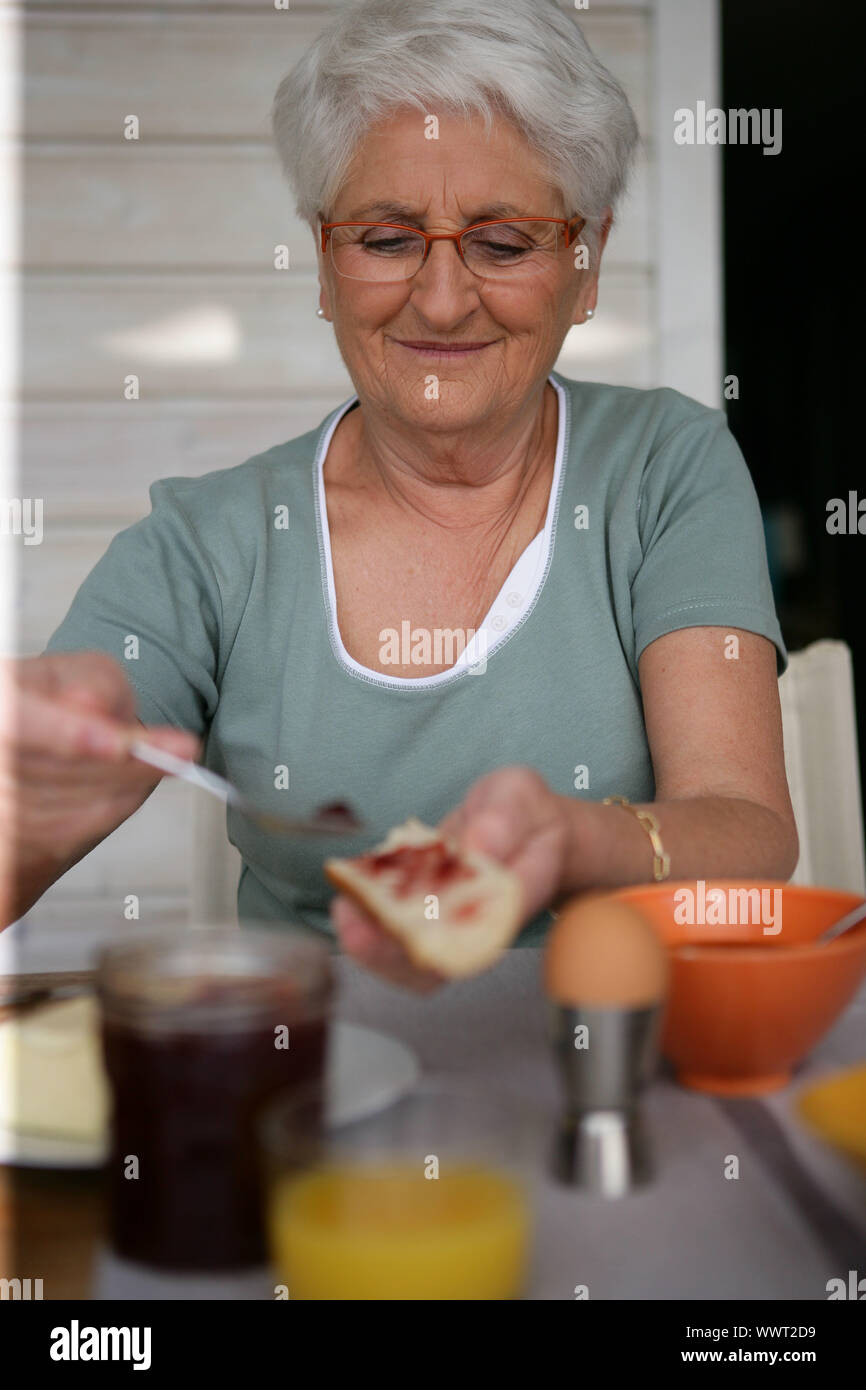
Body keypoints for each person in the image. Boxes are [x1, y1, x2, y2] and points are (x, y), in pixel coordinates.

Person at [2, 0, 797, 991]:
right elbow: (48, 773)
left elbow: (750, 840)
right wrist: (25, 797)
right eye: (384, 240)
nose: (440, 297)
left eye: (503, 244)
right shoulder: (207, 543)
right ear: (325, 261)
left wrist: (576, 839)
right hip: (309, 1093)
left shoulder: (664, 463)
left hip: (611, 1082)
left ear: (583, 261)